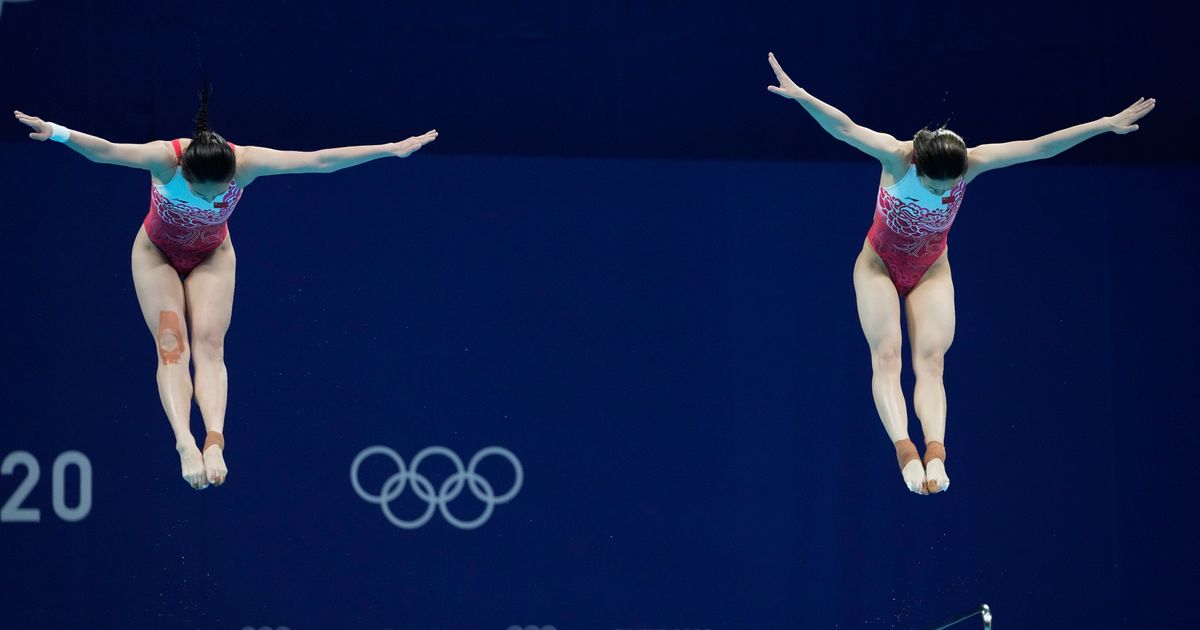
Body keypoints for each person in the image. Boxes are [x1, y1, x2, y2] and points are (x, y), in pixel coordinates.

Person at [13, 83, 438, 490]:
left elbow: (319, 160)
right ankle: (185, 442)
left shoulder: (246, 163)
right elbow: (106, 151)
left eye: (219, 193)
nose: (210, 198)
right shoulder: (165, 159)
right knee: (171, 345)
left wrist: (389, 149)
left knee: (210, 346)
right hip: (155, 253)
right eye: (202, 192)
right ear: (185, 172)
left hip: (212, 255)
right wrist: (57, 132)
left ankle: (214, 441)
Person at [766, 52, 1155, 494]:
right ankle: (905, 452)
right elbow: (846, 128)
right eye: (934, 186)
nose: (943, 191)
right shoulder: (898, 157)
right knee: (888, 355)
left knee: (931, 362)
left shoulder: (972, 162)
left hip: (931, 270)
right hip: (877, 266)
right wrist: (803, 97)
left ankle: (935, 452)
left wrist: (1102, 124)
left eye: (949, 186)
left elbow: (1039, 147)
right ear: (919, 166)